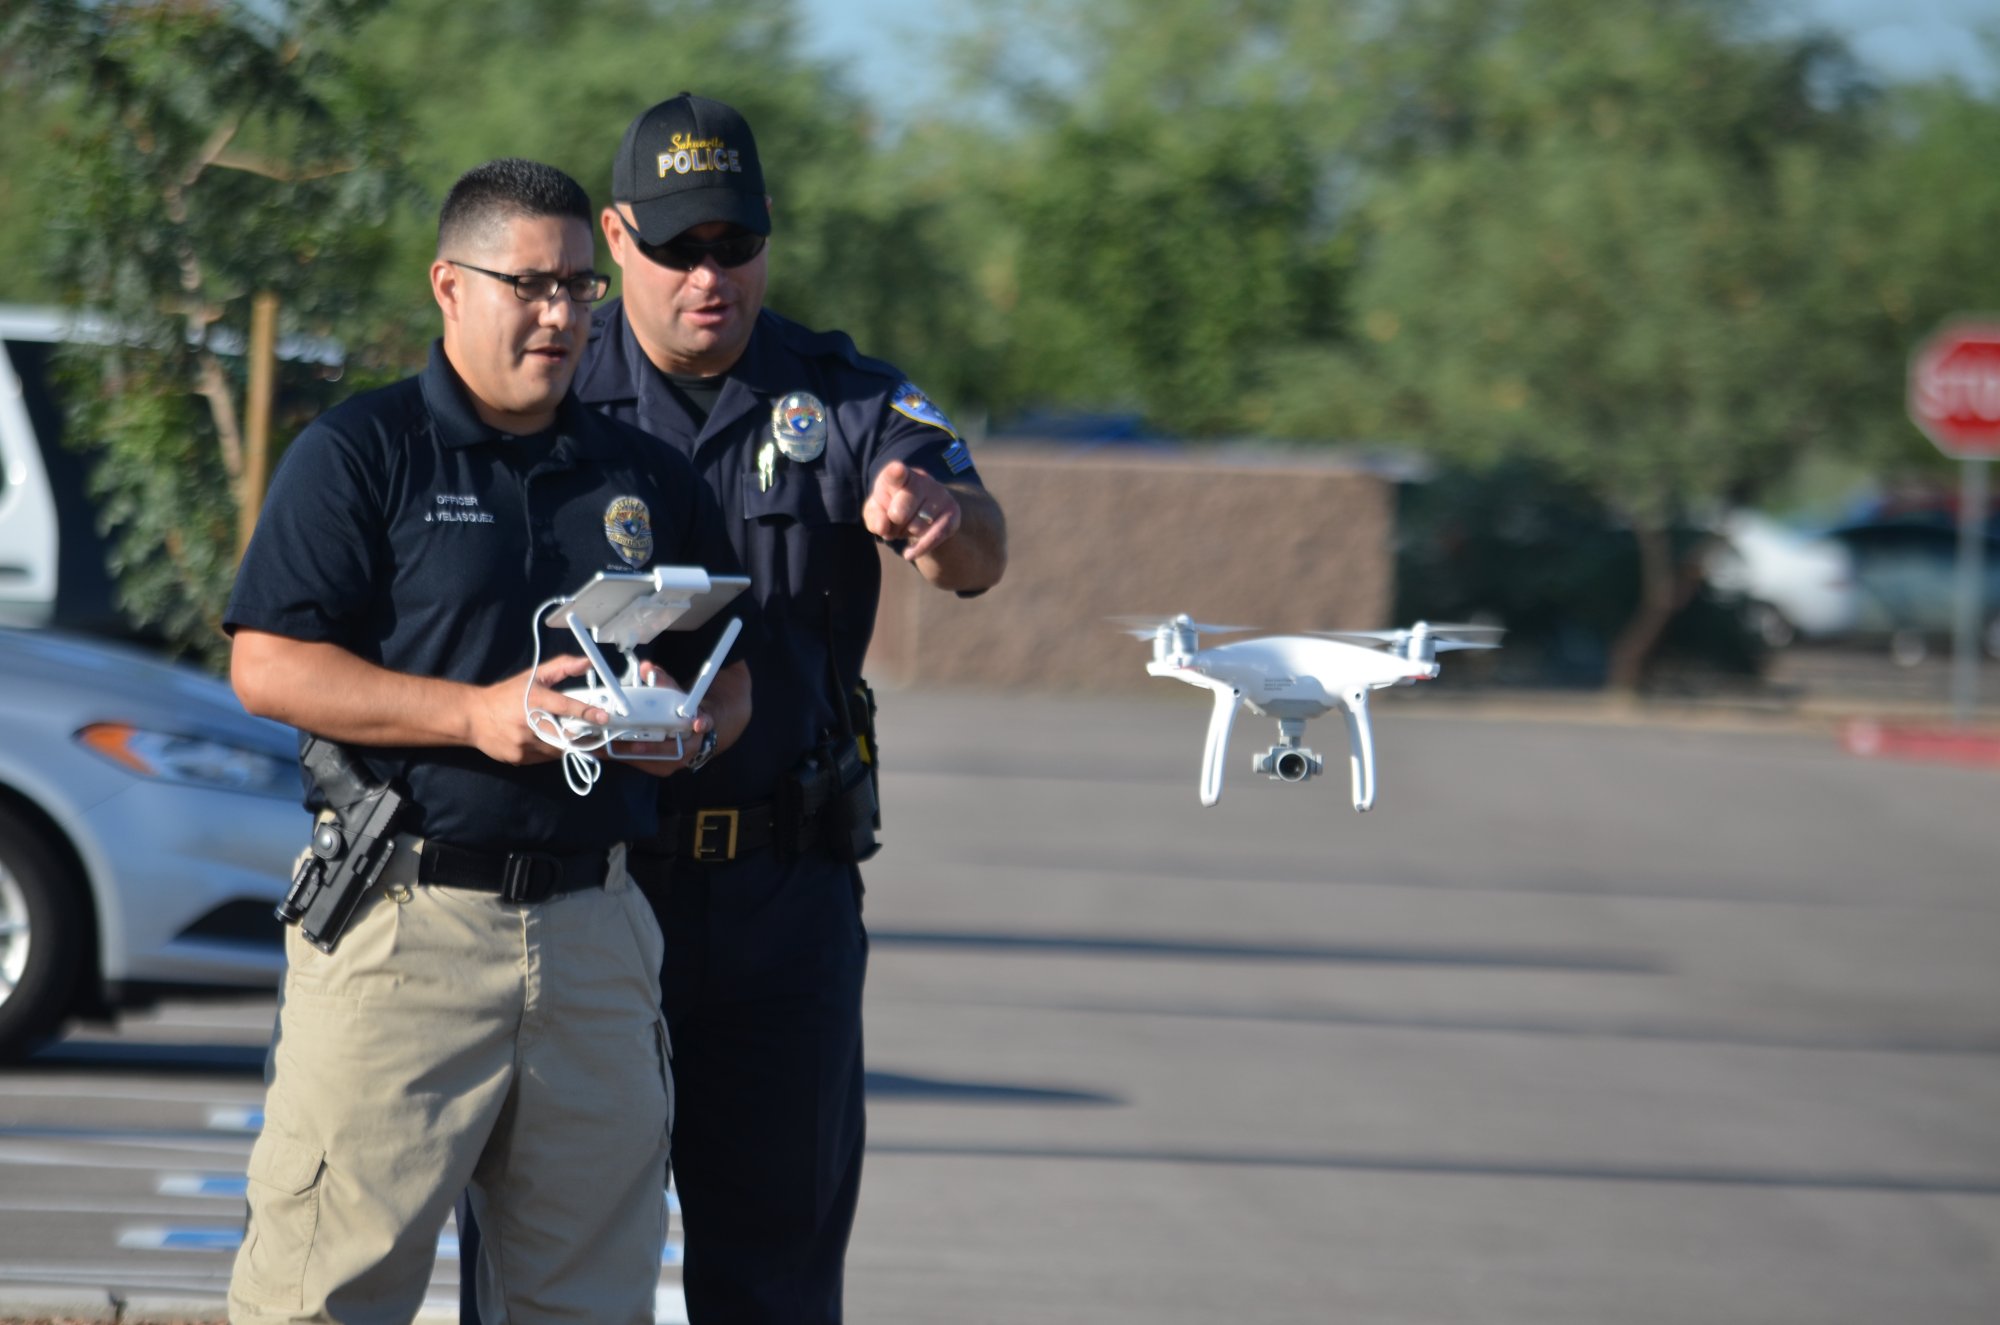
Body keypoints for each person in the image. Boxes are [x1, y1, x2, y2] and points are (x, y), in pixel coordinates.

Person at [457, 92, 1006, 1324]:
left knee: (776, 1273)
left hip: (780, 904)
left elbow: (983, 548)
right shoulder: (543, 399)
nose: (711, 275)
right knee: (550, 1261)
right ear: (614, 239)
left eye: (735, 245)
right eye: (677, 248)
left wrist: (935, 518)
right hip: (586, 893)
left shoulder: (840, 399)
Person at [224, 157, 753, 1325]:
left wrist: (688, 732)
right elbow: (267, 667)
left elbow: (734, 683)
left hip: (596, 933)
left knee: (586, 1300)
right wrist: (476, 715)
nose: (562, 315)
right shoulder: (363, 451)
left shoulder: (643, 474)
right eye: (531, 285)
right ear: (448, 286)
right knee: (327, 1291)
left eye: (578, 288)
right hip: (408, 922)